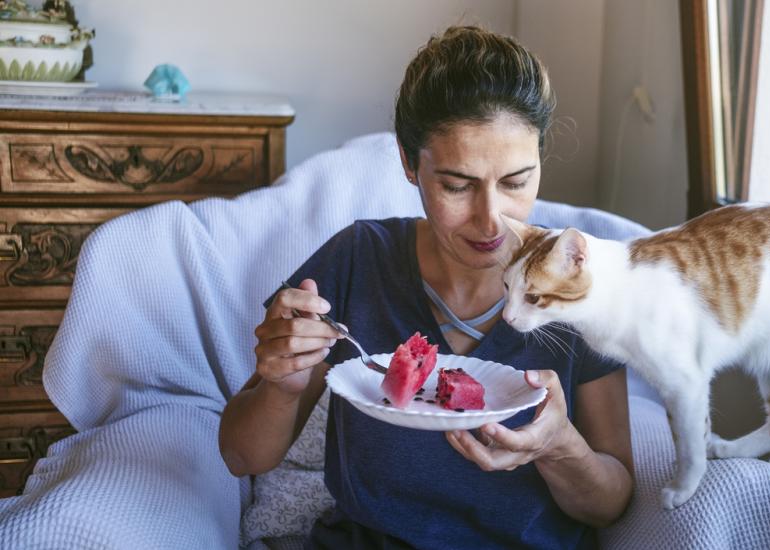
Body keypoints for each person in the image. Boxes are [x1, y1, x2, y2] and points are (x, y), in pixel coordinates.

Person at [218, 25, 634, 549]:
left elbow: (611, 502)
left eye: (516, 181)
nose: (491, 221)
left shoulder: (580, 287)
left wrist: (558, 446)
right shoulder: (358, 258)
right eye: (457, 186)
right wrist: (282, 384)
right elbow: (241, 457)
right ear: (409, 164)